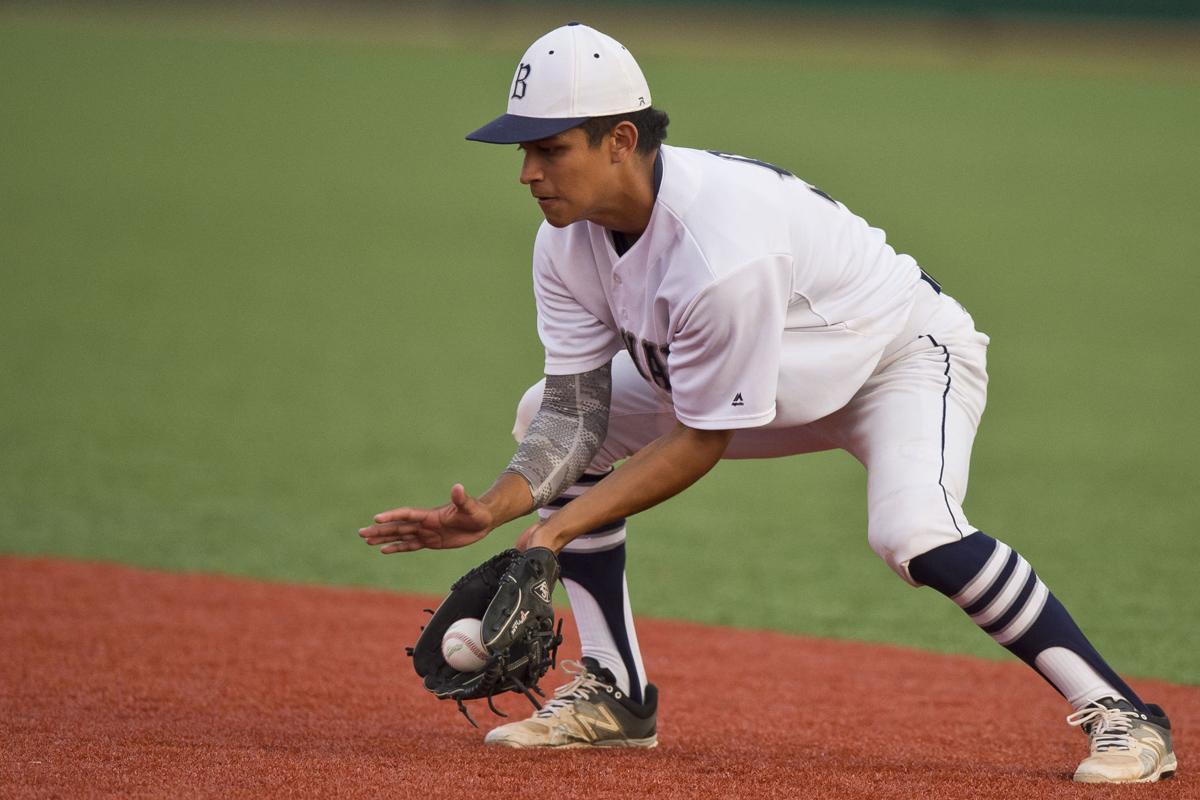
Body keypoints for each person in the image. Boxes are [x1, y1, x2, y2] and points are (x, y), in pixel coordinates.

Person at [358, 23, 1176, 783]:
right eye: (523, 150)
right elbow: (575, 413)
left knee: (913, 531)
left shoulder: (719, 248)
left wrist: (551, 534)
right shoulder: (564, 241)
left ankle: (1127, 716)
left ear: (621, 141)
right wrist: (494, 509)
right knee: (539, 404)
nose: (528, 172)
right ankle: (615, 695)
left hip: (897, 362)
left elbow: (700, 442)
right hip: (759, 381)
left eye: (550, 148)